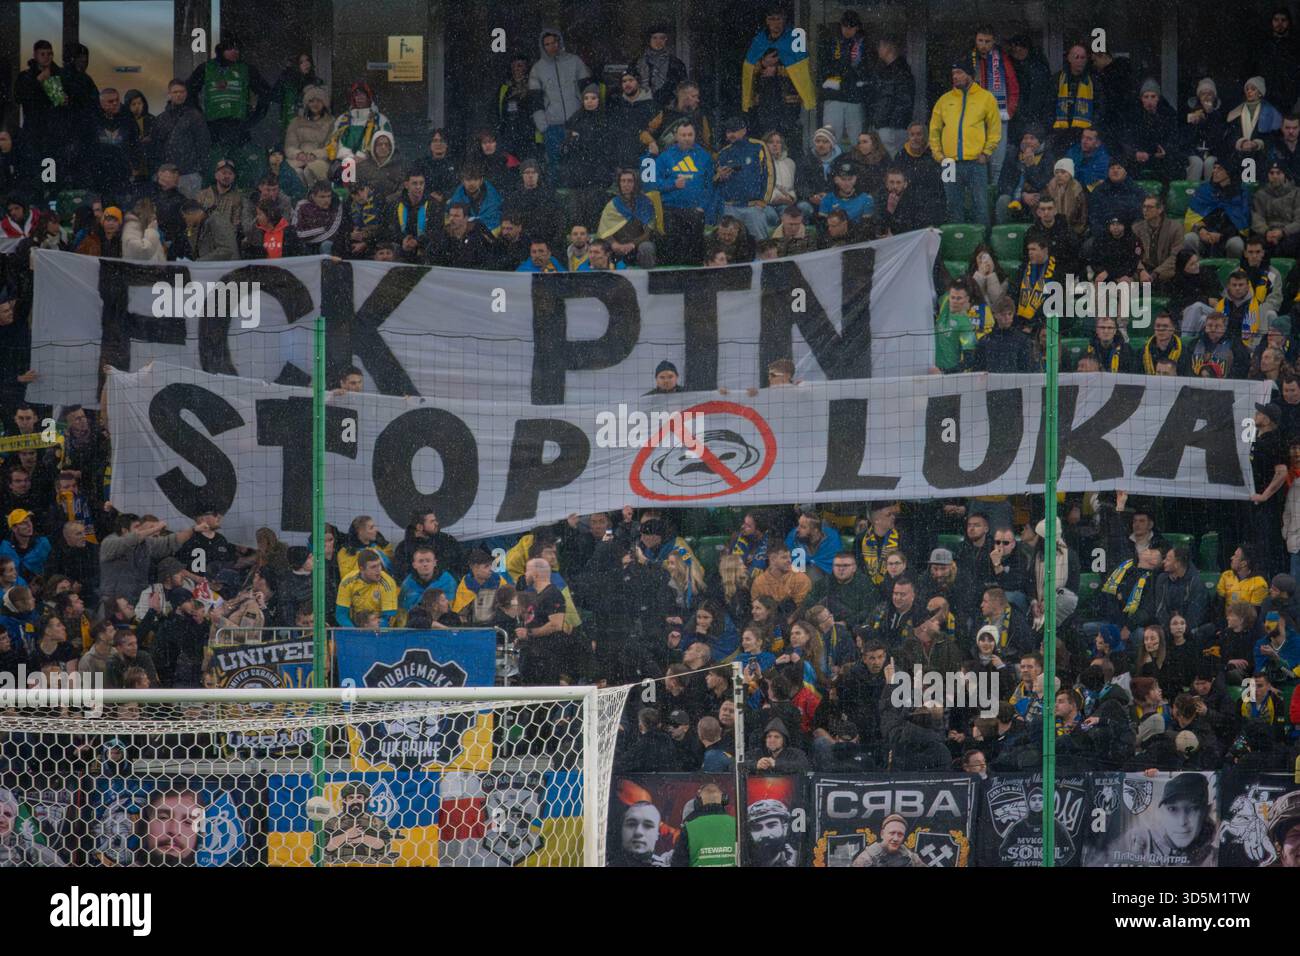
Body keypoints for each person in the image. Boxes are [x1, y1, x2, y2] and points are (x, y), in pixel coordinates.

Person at [930, 61, 1001, 226]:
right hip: (948, 163)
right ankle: (958, 244)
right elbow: (934, 130)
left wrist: (986, 153)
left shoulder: (986, 98)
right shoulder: (944, 100)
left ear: (970, 75)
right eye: (953, 73)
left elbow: (995, 130)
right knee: (953, 206)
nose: (955, 77)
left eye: (960, 73)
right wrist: (939, 155)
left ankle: (983, 247)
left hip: (976, 162)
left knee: (981, 206)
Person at [186, 34, 270, 157]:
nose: (235, 52)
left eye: (237, 49)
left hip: (238, 125)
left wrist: (254, 119)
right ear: (221, 50)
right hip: (213, 126)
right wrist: (200, 116)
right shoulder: (206, 68)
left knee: (238, 160)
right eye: (231, 48)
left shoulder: (246, 69)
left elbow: (265, 93)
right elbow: (189, 92)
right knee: (215, 161)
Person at [529, 29, 591, 170]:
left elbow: (588, 90)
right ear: (542, 46)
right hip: (553, 127)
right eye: (547, 44)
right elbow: (536, 102)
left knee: (580, 164)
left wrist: (586, 118)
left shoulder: (575, 61)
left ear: (560, 42)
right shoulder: (537, 69)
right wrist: (544, 128)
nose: (552, 46)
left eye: (554, 42)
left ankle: (578, 192)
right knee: (556, 166)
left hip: (577, 122)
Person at [818, 11, 870, 145]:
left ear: (857, 27)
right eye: (845, 26)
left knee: (857, 139)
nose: (847, 30)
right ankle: (832, 164)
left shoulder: (863, 44)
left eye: (851, 27)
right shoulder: (831, 42)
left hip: (854, 97)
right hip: (834, 96)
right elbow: (823, 68)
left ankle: (857, 165)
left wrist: (856, 82)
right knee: (830, 138)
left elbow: (867, 70)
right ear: (840, 26)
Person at [851, 813, 925, 867]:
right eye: (892, 833)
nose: (896, 838)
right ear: (882, 834)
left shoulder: (911, 858)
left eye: (900, 834)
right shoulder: (866, 859)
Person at [745, 797, 799, 866]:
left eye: (772, 825)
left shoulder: (797, 861)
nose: (765, 834)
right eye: (757, 828)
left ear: (784, 828)